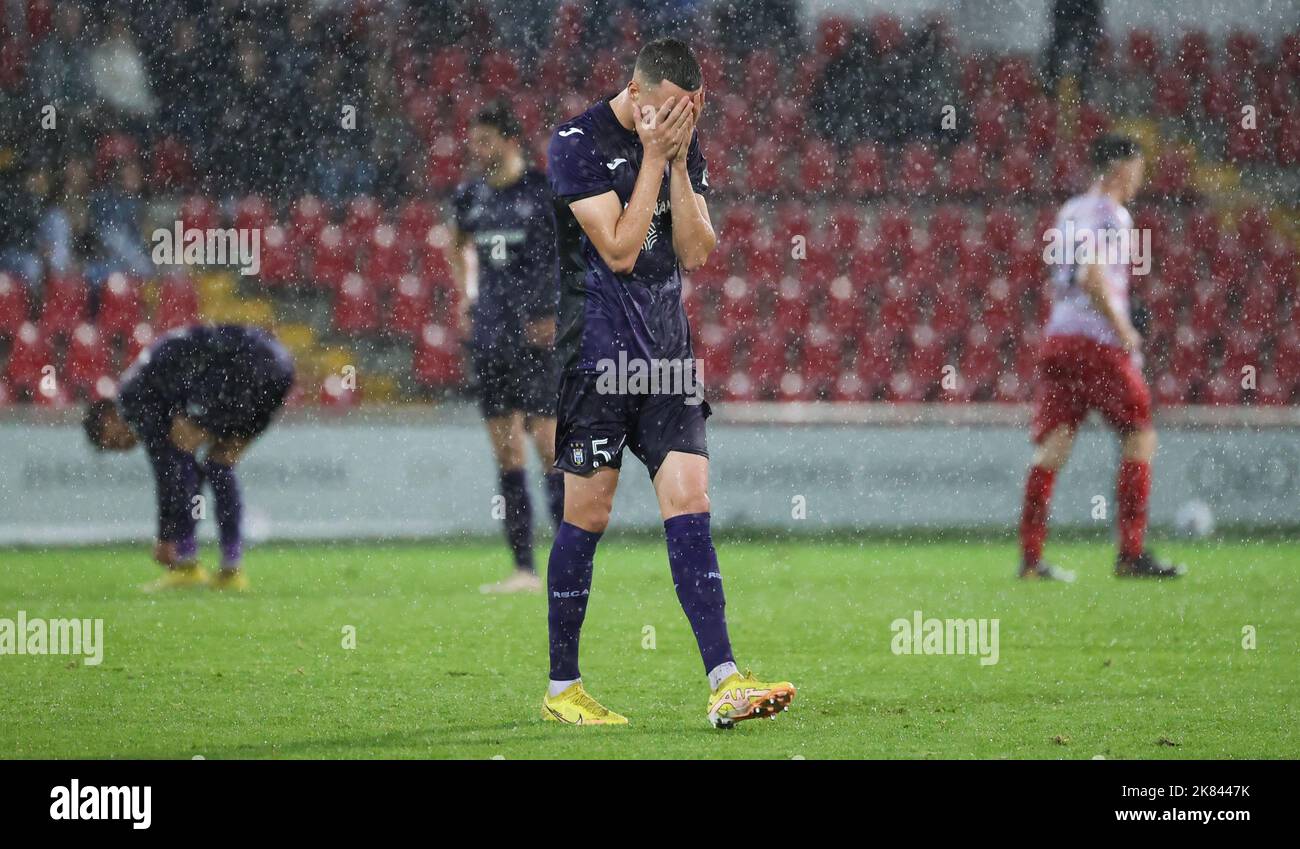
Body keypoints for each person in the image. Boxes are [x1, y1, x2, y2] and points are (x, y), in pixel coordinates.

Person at [542, 37, 795, 727]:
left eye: (693, 114)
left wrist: (677, 162)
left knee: (690, 496)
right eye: (676, 113)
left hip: (667, 362)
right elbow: (621, 251)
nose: (686, 122)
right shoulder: (575, 141)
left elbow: (696, 249)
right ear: (642, 91)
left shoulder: (682, 141)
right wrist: (654, 157)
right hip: (597, 360)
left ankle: (724, 679)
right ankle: (563, 685)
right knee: (586, 515)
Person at [1019, 135, 1183, 581]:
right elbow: (1092, 276)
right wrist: (1123, 327)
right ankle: (1130, 554)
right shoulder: (1112, 215)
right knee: (1140, 433)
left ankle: (1031, 560)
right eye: (1137, 171)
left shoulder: (1070, 209)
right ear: (1120, 169)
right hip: (1095, 341)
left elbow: (1063, 272)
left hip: (1059, 337)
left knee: (1054, 445)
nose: (1139, 181)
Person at [446, 102, 564, 594]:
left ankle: (568, 563)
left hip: (538, 337)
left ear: (510, 141)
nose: (477, 148)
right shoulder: (469, 195)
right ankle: (523, 570)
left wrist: (557, 312)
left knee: (550, 447)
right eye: (474, 139)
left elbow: (572, 253)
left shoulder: (542, 192)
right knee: (506, 451)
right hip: (492, 337)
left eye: (486, 139)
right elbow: (456, 242)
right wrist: (466, 295)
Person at [82, 325, 295, 592]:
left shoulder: (133, 399)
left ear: (109, 415)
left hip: (245, 365)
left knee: (181, 450)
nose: (121, 449)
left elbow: (167, 471)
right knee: (218, 463)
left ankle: (187, 562)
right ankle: (231, 570)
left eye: (112, 442)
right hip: (278, 366)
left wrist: (165, 537)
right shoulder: (149, 379)